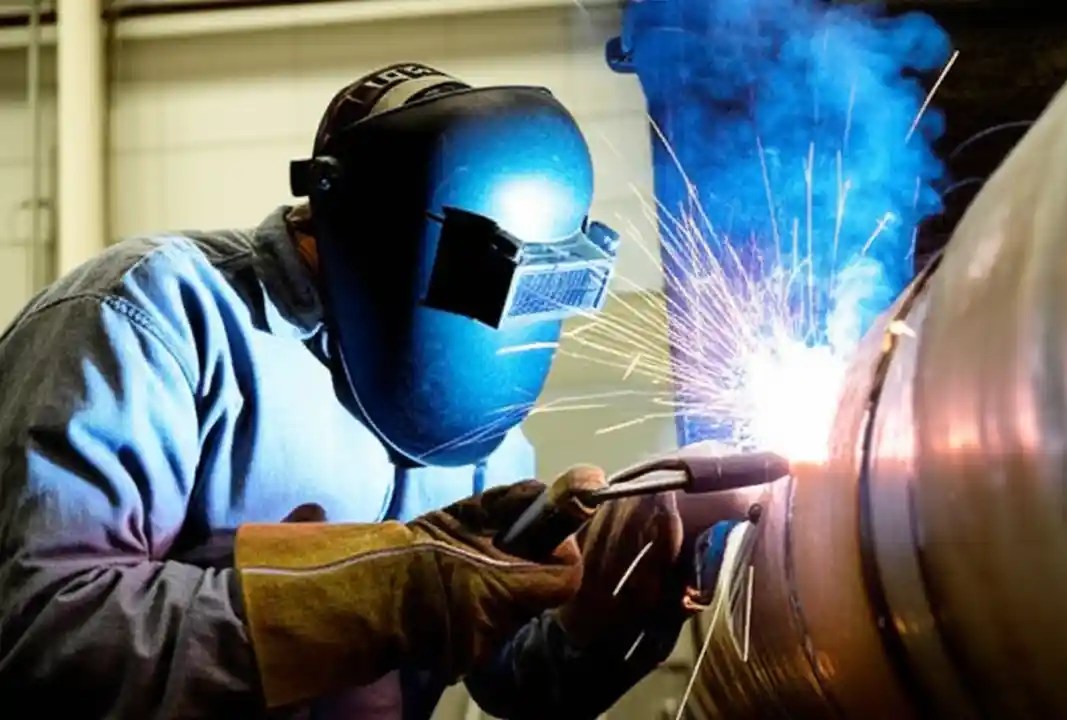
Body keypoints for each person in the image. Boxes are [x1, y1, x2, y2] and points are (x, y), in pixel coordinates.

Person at [0, 62, 694, 718]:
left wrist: (600, 617)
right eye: (477, 281)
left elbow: (508, 677)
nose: (494, 314)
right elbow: (45, 635)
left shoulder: (478, 410)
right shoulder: (153, 321)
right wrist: (392, 592)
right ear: (376, 226)